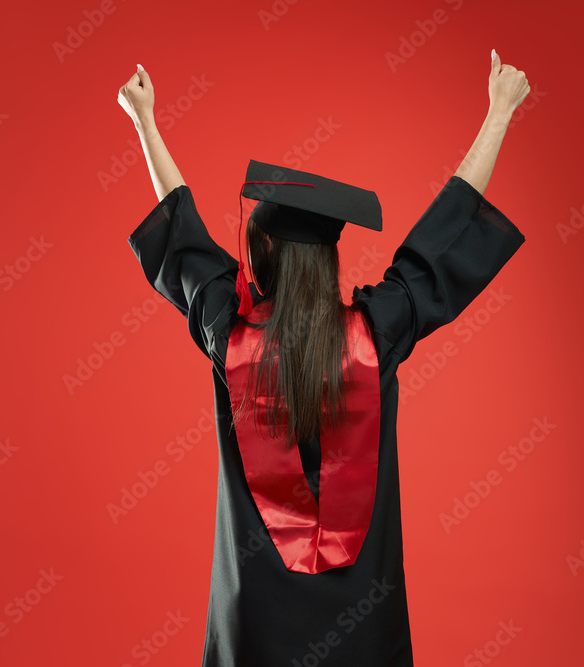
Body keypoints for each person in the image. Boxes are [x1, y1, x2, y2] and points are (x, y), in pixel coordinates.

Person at [119, 50, 530, 666]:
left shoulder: (228, 334)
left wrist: (145, 122)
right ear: (327, 261)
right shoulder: (377, 331)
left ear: (258, 258)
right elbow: (436, 246)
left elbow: (184, 238)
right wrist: (498, 113)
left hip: (253, 624)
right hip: (361, 626)